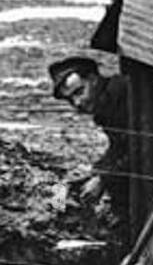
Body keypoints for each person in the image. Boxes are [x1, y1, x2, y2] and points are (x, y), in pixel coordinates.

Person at [48, 56, 131, 222]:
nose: (77, 103)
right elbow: (118, 148)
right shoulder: (106, 105)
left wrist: (103, 179)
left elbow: (141, 148)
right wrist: (96, 172)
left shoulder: (123, 96)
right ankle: (59, 214)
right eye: (71, 100)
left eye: (79, 92)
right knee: (63, 188)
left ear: (93, 79)